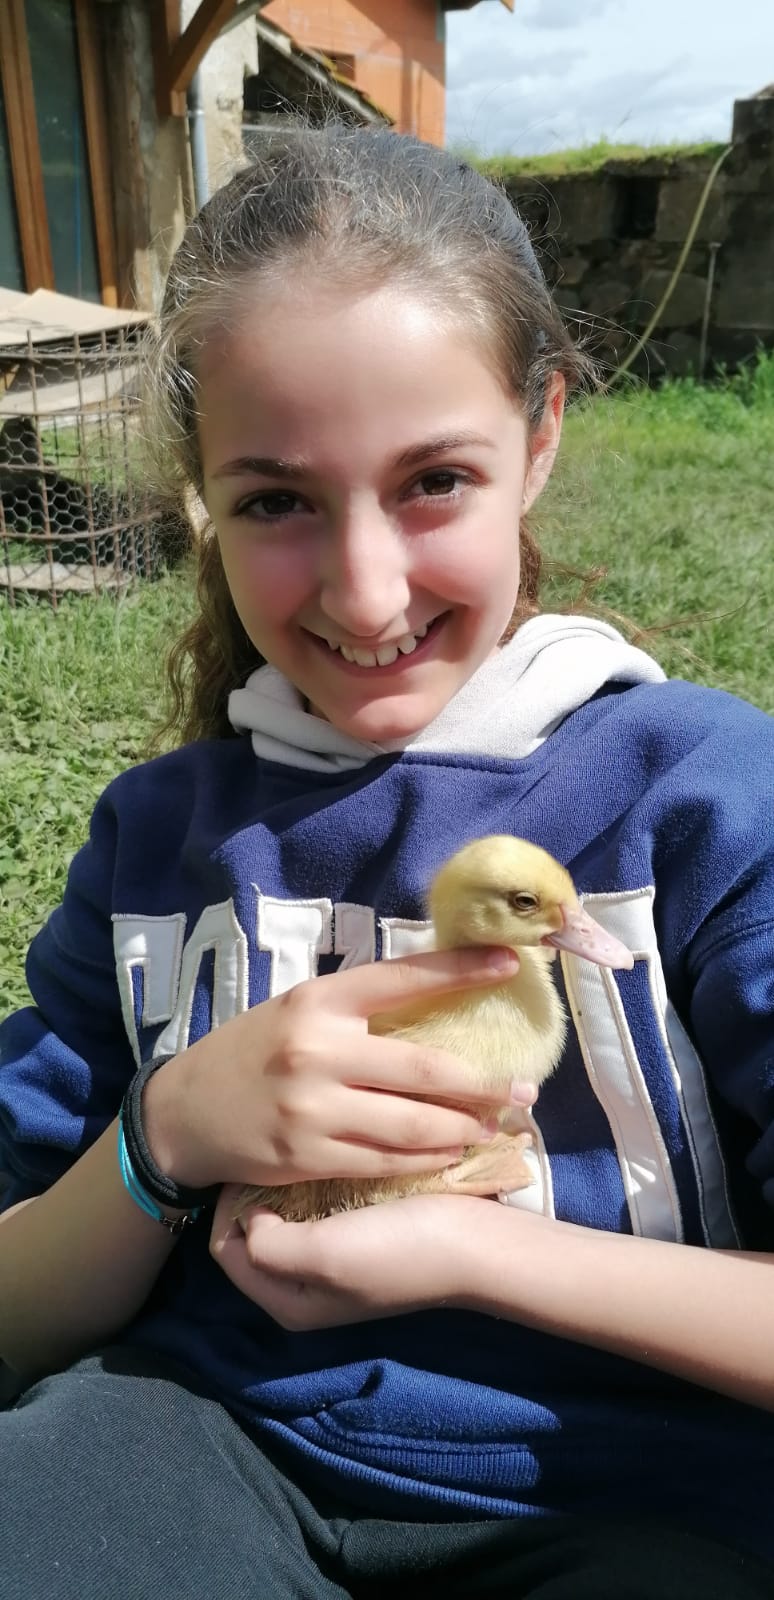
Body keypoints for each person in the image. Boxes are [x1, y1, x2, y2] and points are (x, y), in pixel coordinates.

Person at [0, 125, 772, 1600]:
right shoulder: (158, 837)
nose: (364, 591)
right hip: (193, 1434)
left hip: (652, 1492)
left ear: (538, 437)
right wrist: (161, 1137)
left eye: (433, 481)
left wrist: (482, 1256)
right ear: (201, 501)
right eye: (276, 500)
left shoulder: (712, 800)